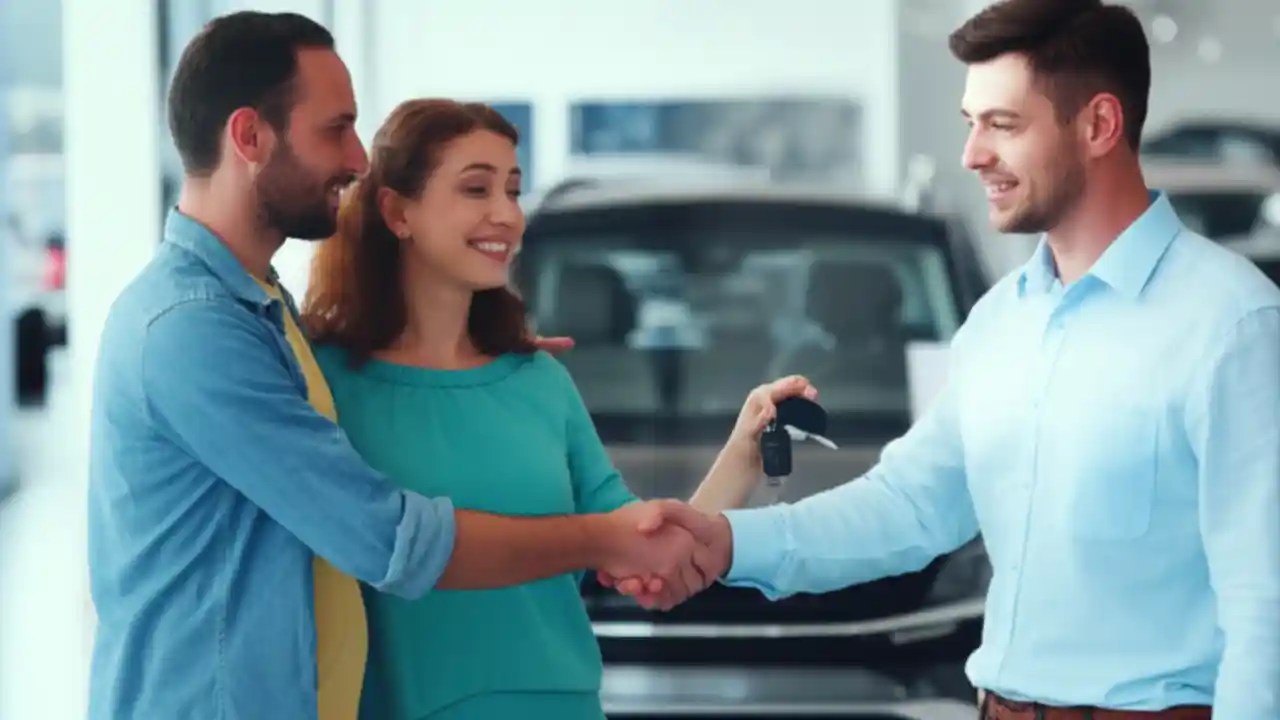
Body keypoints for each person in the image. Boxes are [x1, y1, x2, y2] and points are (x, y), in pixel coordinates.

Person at [612, 1, 1280, 717]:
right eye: (971, 123)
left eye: (1003, 124)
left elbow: (1264, 606)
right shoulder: (999, 324)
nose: (973, 155)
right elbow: (907, 507)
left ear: (1099, 125)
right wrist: (725, 540)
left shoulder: (1230, 325)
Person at [86, 12, 721, 720]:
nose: (357, 158)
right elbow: (389, 539)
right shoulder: (194, 331)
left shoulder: (261, 311)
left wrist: (481, 379)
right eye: (335, 128)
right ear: (249, 137)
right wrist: (601, 536)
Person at [298, 97, 815, 719]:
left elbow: (644, 550)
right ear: (397, 211)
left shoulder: (539, 382)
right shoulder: (324, 385)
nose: (506, 216)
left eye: (513, 191)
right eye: (476, 189)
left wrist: (745, 448)